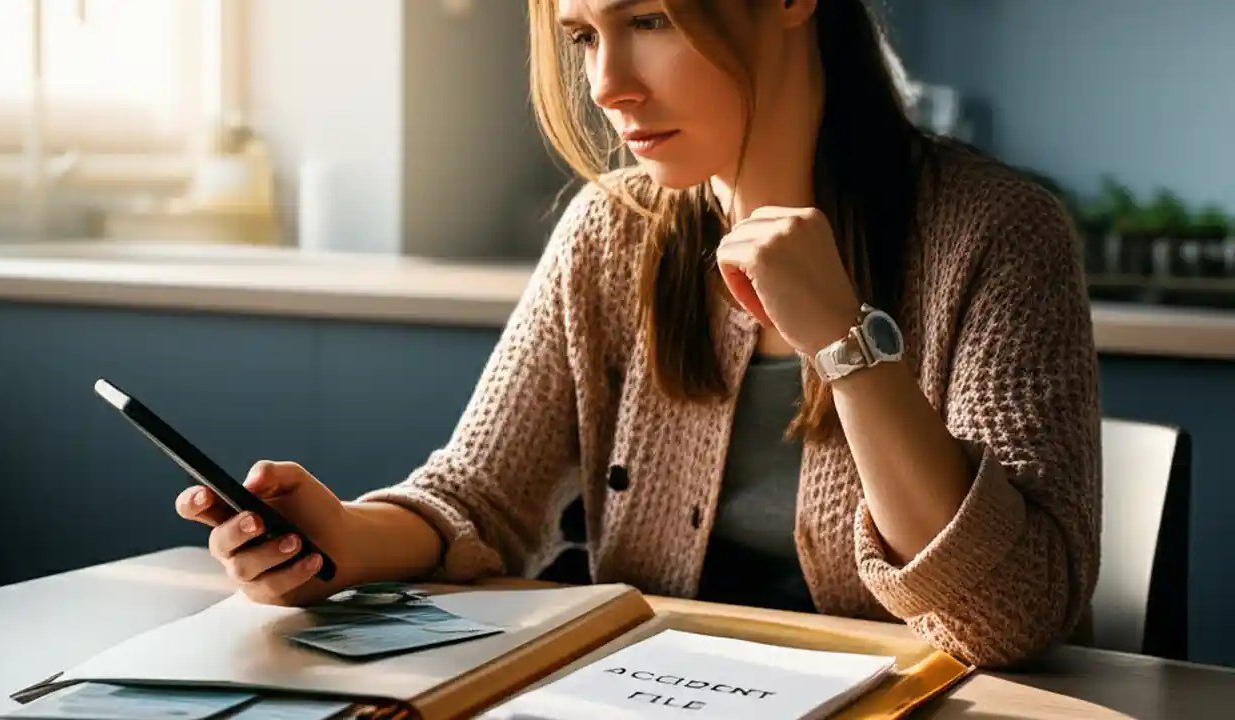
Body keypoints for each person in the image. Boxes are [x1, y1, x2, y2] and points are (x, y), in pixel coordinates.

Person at [177, 0, 1100, 669]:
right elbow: (480, 496)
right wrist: (338, 540)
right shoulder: (612, 231)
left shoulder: (997, 232)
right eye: (584, 35)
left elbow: (1011, 616)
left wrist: (844, 342)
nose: (607, 85)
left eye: (650, 20)